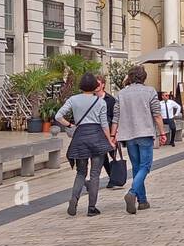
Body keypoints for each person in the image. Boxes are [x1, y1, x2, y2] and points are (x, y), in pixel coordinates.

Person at [56, 73, 114, 217]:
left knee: (81, 173)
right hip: (97, 138)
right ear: (95, 85)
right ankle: (91, 208)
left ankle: (74, 200)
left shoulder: (73, 100)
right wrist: (110, 140)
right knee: (95, 175)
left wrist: (70, 124)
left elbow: (58, 116)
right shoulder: (100, 102)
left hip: (80, 137)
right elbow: (104, 124)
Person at [110, 65, 164, 215]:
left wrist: (113, 136)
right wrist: (162, 132)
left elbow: (116, 117)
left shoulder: (121, 93)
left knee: (136, 167)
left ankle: (142, 201)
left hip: (128, 135)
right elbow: (157, 115)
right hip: (145, 133)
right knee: (145, 166)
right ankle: (133, 192)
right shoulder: (150, 91)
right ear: (144, 77)